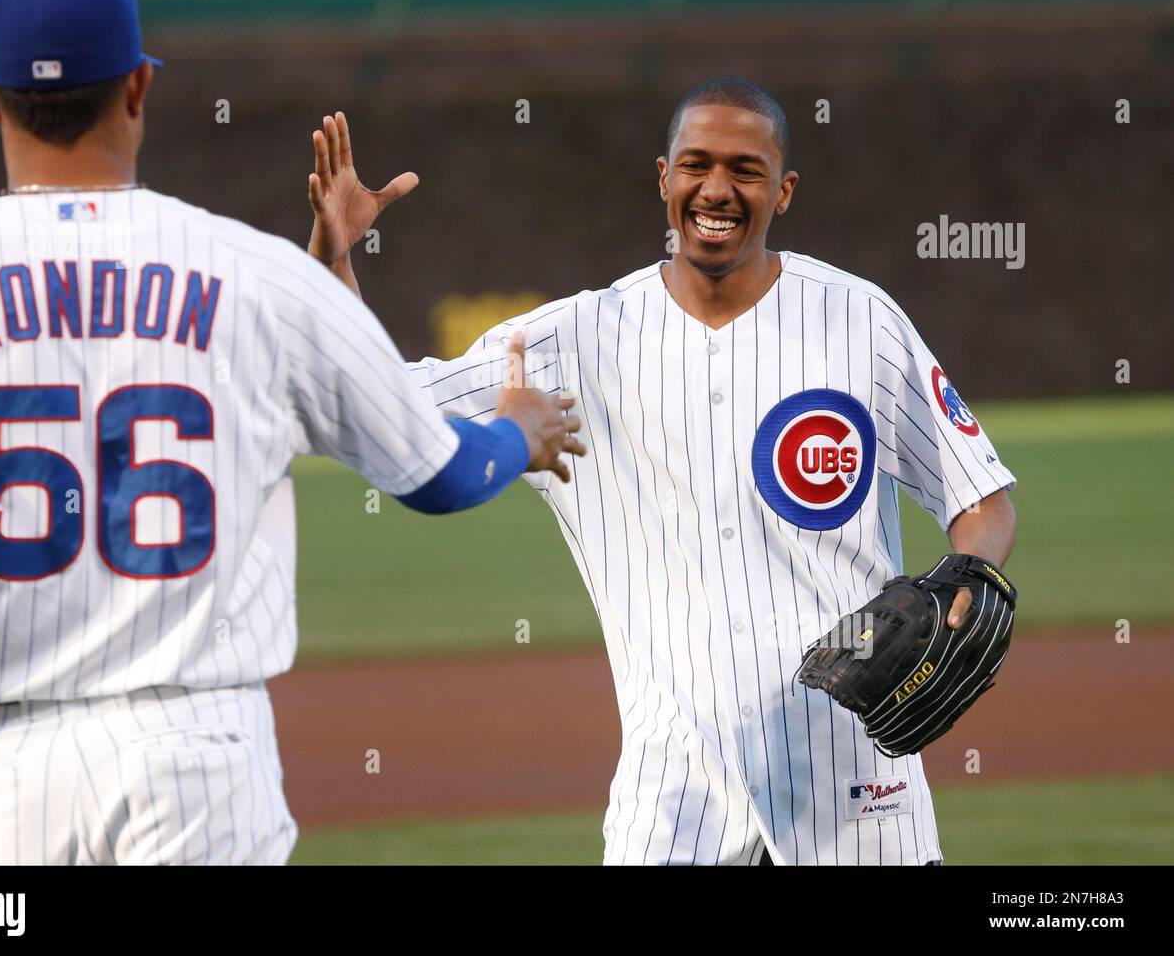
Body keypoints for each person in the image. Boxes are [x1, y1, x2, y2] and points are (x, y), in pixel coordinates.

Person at [0, 0, 583, 866]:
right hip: (196, 759)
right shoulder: (257, 276)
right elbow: (442, 475)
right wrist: (518, 431)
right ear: (139, 85)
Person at [305, 77, 1017, 865]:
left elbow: (981, 498)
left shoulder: (861, 320)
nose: (717, 189)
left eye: (745, 170)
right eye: (696, 165)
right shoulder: (573, 341)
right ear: (663, 178)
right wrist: (332, 261)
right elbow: (375, 404)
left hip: (859, 804)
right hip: (673, 814)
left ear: (784, 190)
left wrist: (968, 574)